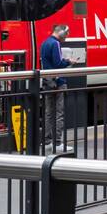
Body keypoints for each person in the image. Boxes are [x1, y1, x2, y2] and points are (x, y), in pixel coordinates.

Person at [40, 23, 75, 152]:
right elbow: (58, 63)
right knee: (59, 112)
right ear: (61, 33)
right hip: (58, 81)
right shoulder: (55, 44)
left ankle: (47, 141)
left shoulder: (45, 43)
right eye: (66, 34)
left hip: (47, 81)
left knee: (48, 112)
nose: (66, 37)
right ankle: (58, 142)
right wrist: (69, 61)